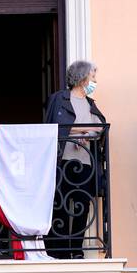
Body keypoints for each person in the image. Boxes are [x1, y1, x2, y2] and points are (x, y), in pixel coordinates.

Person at [44, 60, 107, 260]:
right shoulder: (60, 99)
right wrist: (83, 130)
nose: (94, 81)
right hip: (63, 160)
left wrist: (86, 132)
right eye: (93, 77)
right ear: (82, 78)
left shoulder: (91, 104)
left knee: (81, 205)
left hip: (86, 162)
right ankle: (60, 251)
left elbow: (101, 128)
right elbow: (54, 127)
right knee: (60, 205)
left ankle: (76, 249)